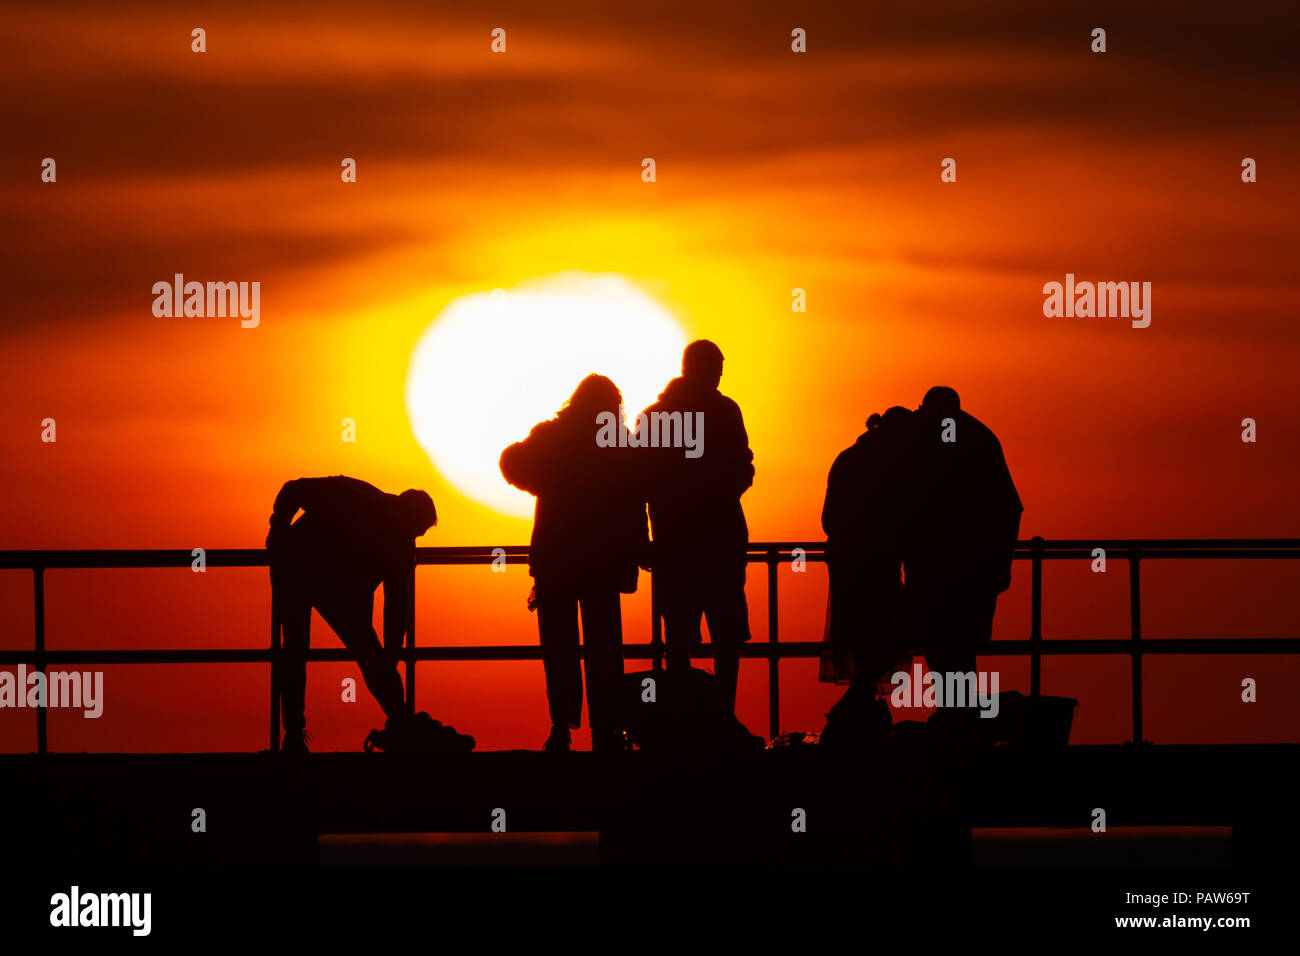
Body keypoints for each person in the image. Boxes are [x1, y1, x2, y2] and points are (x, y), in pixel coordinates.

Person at [500, 374, 649, 753]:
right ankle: (607, 732)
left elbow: (511, 462)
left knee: (559, 648)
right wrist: (637, 552)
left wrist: (546, 481)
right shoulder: (618, 443)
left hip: (557, 560)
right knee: (605, 649)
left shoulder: (553, 435)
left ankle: (561, 728)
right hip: (601, 563)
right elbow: (636, 503)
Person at [266, 475, 437, 755]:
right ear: (406, 516)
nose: (411, 540)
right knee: (299, 647)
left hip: (334, 585)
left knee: (319, 649)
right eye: (414, 532)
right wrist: (278, 533)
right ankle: (295, 733)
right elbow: (292, 489)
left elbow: (396, 604)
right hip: (298, 566)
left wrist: (390, 655)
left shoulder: (401, 543)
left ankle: (398, 721)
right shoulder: (355, 494)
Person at [641, 340, 754, 714]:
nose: (720, 374)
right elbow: (743, 467)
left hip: (676, 544)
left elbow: (637, 484)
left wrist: (644, 540)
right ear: (700, 368)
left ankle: (683, 719)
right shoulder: (725, 412)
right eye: (716, 367)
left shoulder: (654, 417)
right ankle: (719, 716)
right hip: (717, 540)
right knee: (723, 633)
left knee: (681, 635)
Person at [905, 386, 1022, 695]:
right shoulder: (978, 437)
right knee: (958, 645)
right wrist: (1000, 562)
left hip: (945, 567)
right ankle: (959, 714)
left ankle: (956, 715)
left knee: (942, 642)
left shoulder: (932, 441)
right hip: (975, 566)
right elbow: (1010, 507)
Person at [820, 406, 915, 745]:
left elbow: (828, 519)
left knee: (863, 632)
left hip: (849, 560)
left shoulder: (849, 458)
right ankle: (857, 700)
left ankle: (856, 703)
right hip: (876, 562)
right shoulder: (889, 465)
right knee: (898, 626)